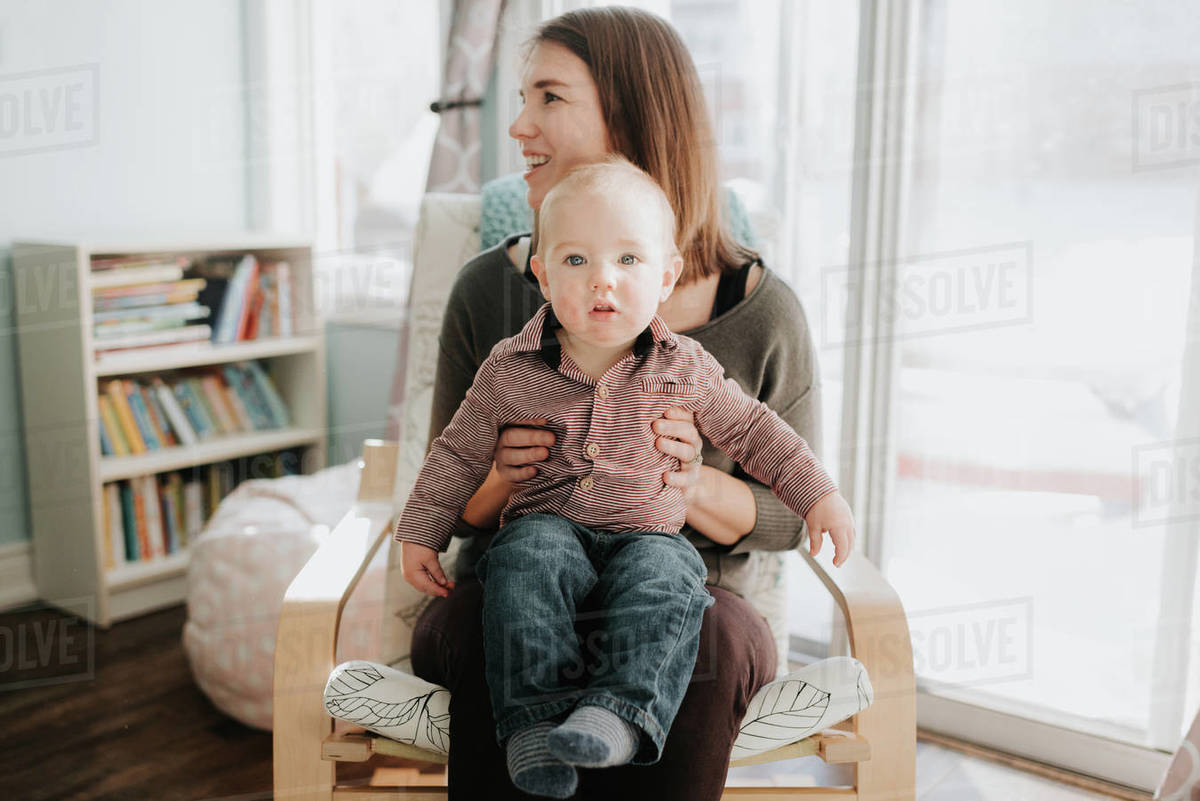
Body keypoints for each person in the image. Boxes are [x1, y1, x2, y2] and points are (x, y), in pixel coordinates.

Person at [407, 7, 854, 800]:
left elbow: (786, 511)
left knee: (704, 636)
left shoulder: (760, 313)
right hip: (517, 572)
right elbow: (450, 470)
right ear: (546, 273)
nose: (517, 125)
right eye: (521, 96)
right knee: (494, 618)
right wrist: (509, 479)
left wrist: (687, 485)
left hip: (688, 584)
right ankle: (538, 745)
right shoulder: (492, 292)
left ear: (633, 112)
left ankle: (616, 719)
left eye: (548, 98)